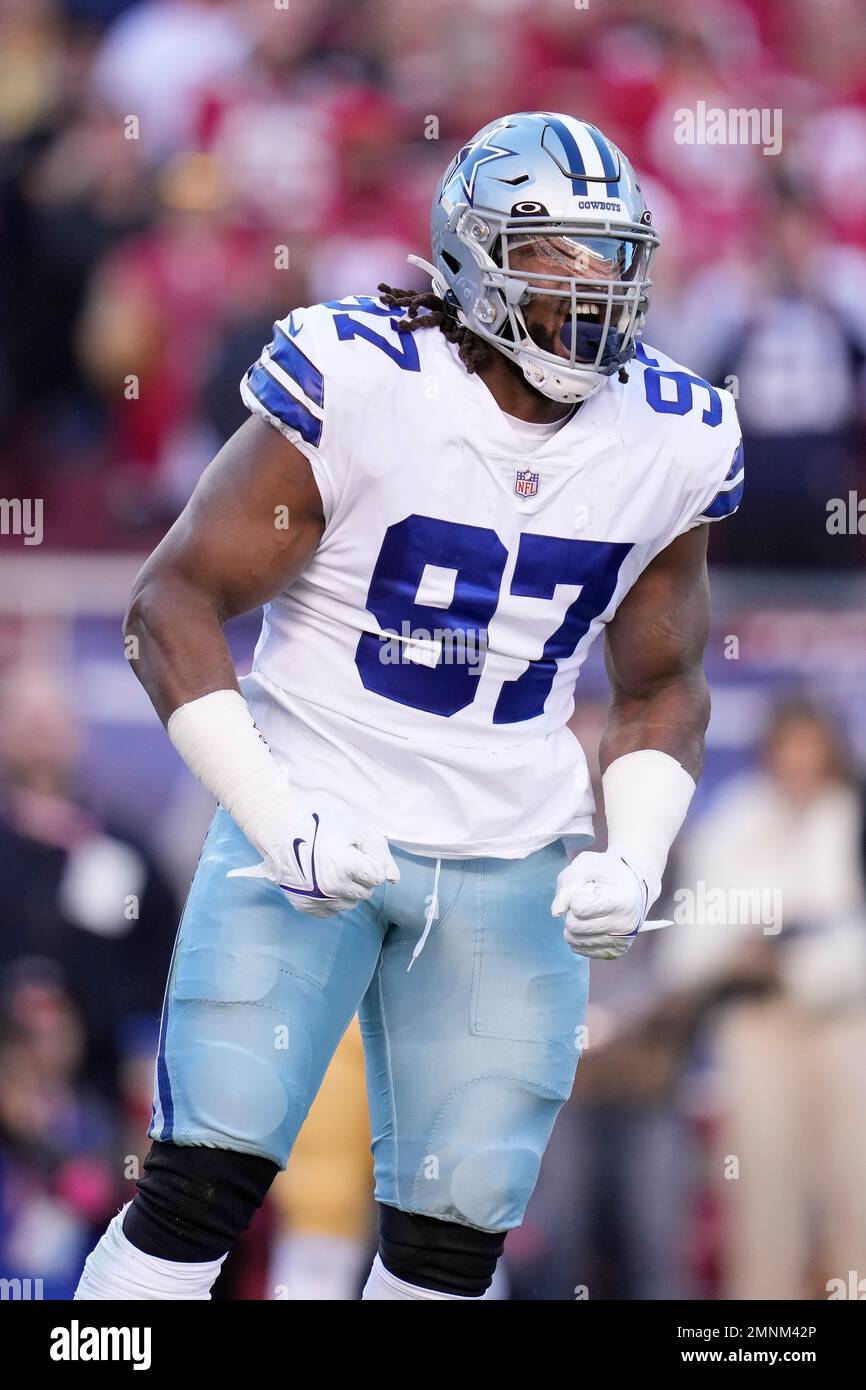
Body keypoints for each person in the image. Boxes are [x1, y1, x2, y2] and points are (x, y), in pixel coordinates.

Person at [75, 111, 743, 1302]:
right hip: (313, 820)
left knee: (451, 1247)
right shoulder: (360, 378)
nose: (591, 292)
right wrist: (275, 813)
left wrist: (633, 855)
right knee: (195, 1194)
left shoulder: (670, 435)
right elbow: (167, 602)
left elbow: (659, 682)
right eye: (555, 259)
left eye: (612, 261)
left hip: (508, 854)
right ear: (473, 255)